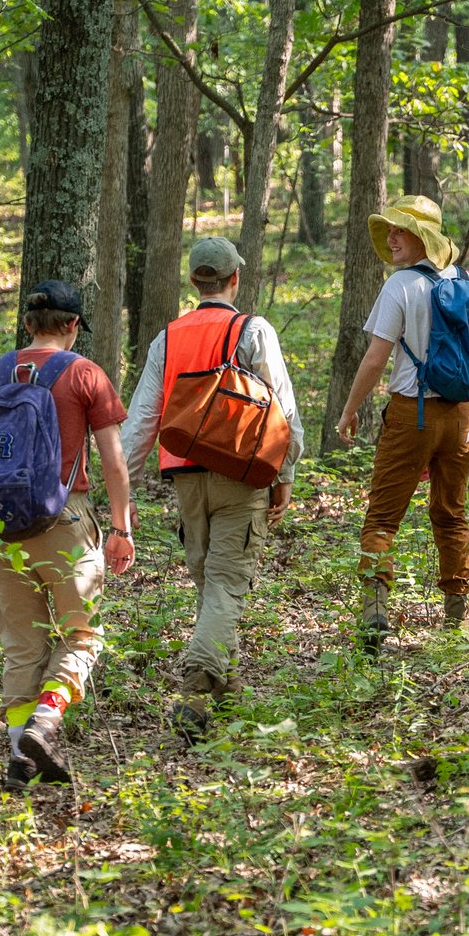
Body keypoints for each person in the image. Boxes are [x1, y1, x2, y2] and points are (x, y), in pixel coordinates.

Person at [120, 237, 304, 741]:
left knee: (209, 579)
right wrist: (285, 473)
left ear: (194, 282)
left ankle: (227, 690)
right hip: (242, 475)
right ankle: (198, 688)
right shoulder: (253, 330)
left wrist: (124, 490)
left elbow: (141, 420)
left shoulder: (168, 337)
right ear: (234, 279)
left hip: (185, 478)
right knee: (226, 581)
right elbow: (283, 409)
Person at [0, 279, 139, 786]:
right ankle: (45, 721)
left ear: (26, 324)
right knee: (82, 635)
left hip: (2, 527)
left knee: (21, 645)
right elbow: (113, 459)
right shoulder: (85, 374)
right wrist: (120, 526)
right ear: (71, 326)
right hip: (66, 518)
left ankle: (18, 758)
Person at [334, 193, 469, 649]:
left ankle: (375, 614)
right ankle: (457, 619)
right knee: (452, 515)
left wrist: (349, 410)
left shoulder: (400, 286)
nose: (392, 237)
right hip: (459, 416)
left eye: (401, 229)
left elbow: (375, 359)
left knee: (382, 517)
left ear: (424, 237)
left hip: (412, 413)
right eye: (391, 229)